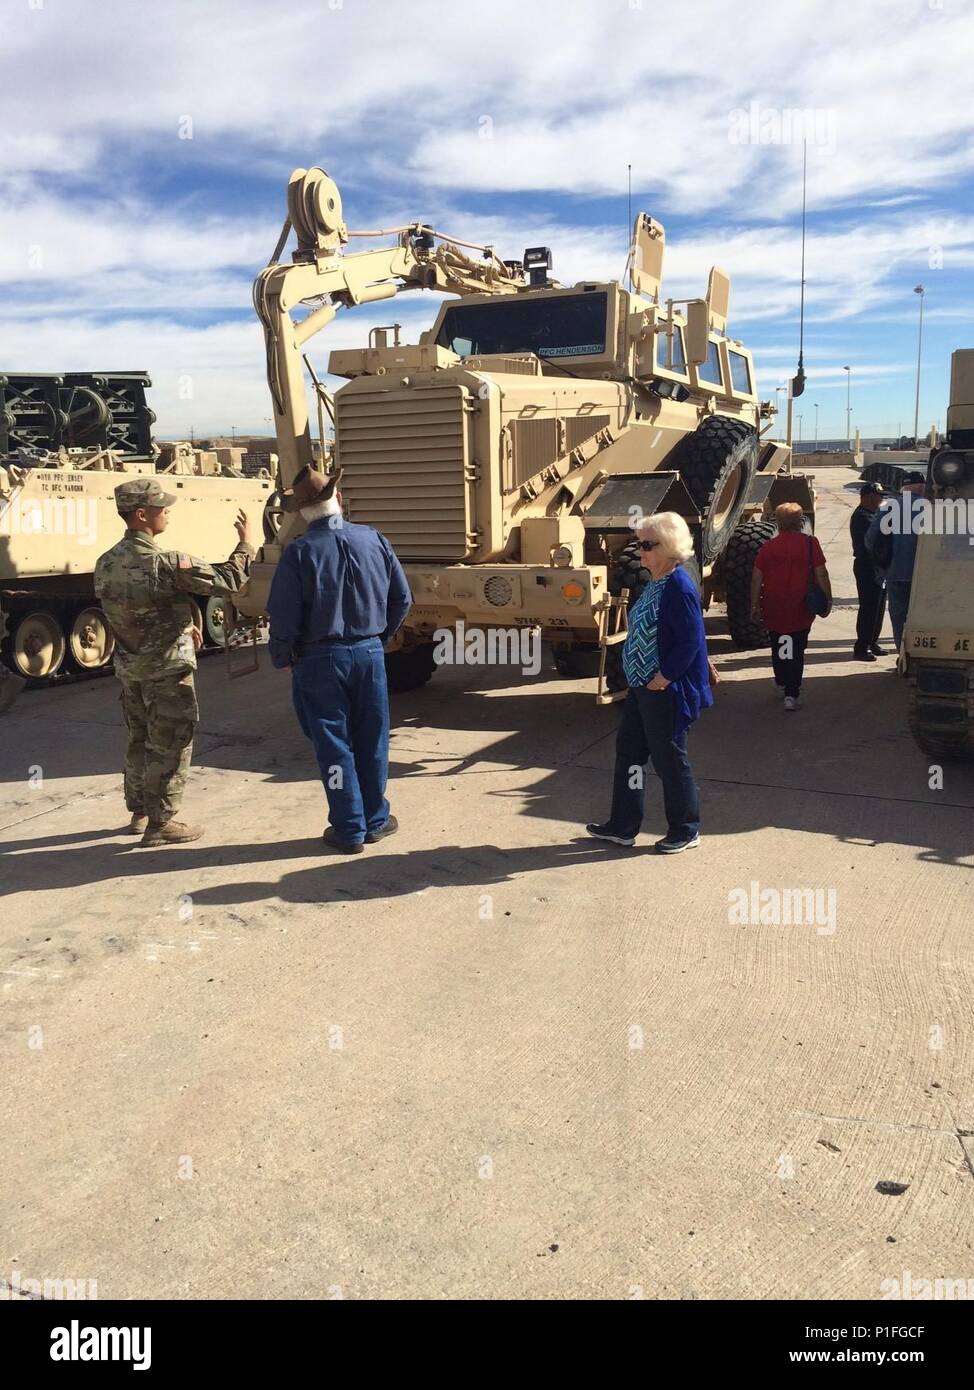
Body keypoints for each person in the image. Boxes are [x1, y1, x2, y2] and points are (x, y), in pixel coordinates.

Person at [94, 479, 254, 846]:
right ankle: (160, 823)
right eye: (160, 506)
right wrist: (245, 543)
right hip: (167, 671)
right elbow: (228, 582)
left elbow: (132, 612)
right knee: (171, 742)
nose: (167, 511)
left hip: (131, 669)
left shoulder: (106, 563)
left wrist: (183, 622)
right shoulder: (166, 562)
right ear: (141, 514)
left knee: (140, 737)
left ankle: (138, 812)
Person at [266, 465, 412, 854]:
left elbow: (284, 615)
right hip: (369, 654)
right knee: (373, 739)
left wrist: (282, 655)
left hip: (319, 659)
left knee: (333, 744)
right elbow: (403, 599)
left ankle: (348, 828)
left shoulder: (298, 553)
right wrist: (378, 637)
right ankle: (375, 819)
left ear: (300, 512)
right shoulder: (374, 539)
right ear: (340, 500)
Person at [586, 511, 712, 854]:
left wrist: (664, 677)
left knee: (670, 760)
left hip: (663, 690)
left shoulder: (679, 585)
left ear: (669, 546)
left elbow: (690, 640)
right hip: (642, 688)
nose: (639, 552)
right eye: (638, 544)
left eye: (646, 545)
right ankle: (624, 825)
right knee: (630, 754)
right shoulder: (658, 582)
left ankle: (686, 829)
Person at [750, 501, 831, 711]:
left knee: (780, 645)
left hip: (774, 604)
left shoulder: (769, 546)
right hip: (800, 605)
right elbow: (821, 573)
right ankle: (791, 694)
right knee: (796, 648)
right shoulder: (810, 543)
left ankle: (782, 681)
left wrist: (754, 604)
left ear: (778, 522)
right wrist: (828, 598)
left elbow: (757, 578)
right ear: (799, 521)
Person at [865, 470, 926, 653]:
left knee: (899, 615)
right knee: (922, 616)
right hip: (924, 574)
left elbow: (870, 540)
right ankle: (921, 654)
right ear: (922, 487)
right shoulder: (931, 507)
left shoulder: (888, 507)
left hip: (895, 572)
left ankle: (904, 655)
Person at [850, 481, 887, 661]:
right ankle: (862, 646)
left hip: (877, 566)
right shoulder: (863, 516)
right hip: (867, 566)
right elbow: (874, 541)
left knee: (878, 607)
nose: (881, 500)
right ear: (869, 497)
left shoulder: (873, 514)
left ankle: (872, 641)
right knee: (869, 607)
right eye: (879, 496)